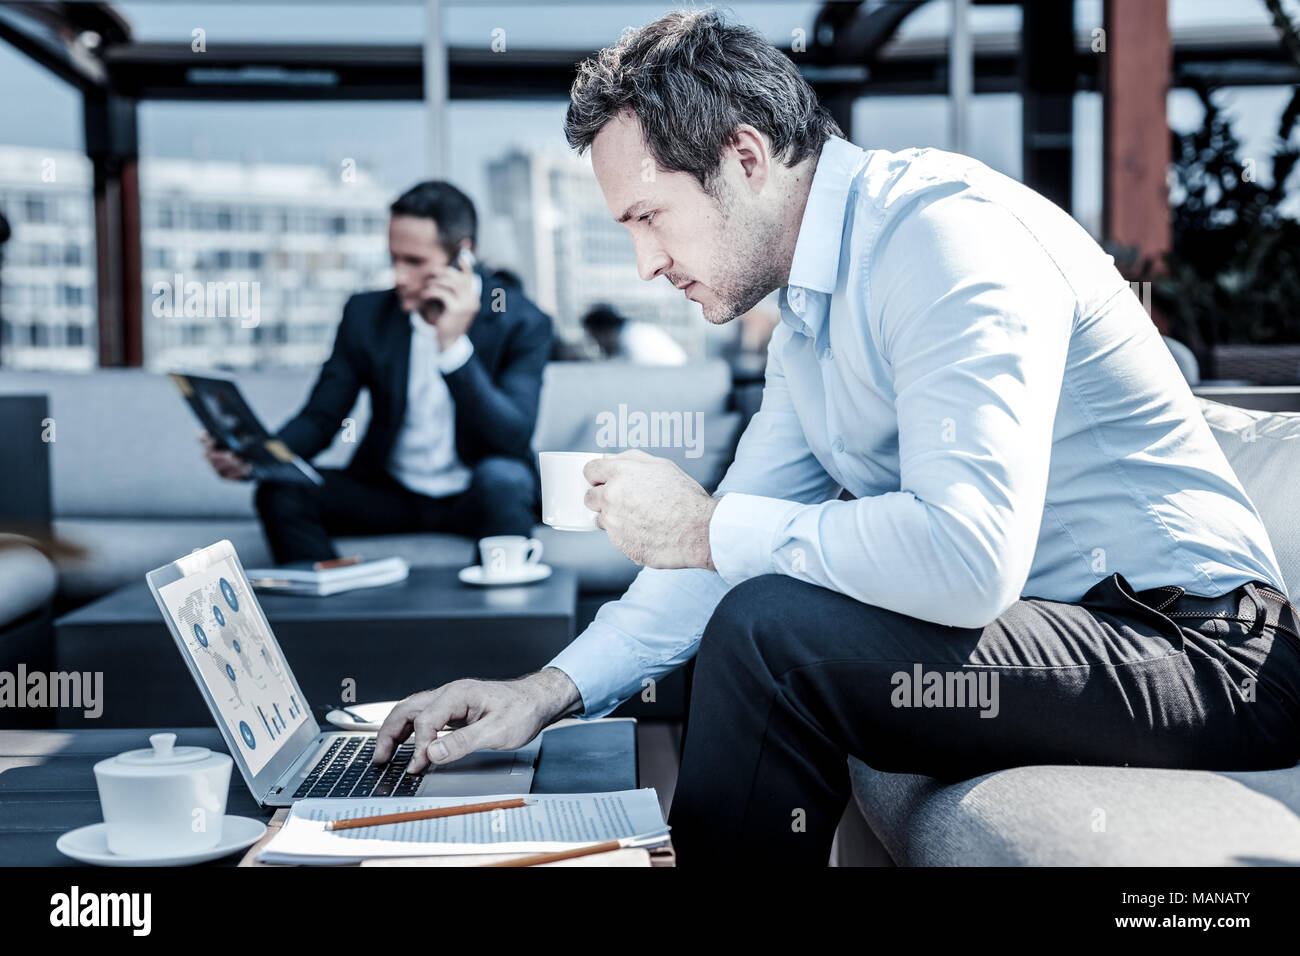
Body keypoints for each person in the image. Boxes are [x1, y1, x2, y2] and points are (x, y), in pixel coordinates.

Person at [372, 11, 1300, 866]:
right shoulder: (811, 322)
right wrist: (542, 691)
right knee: (765, 609)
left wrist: (707, 527)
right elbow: (728, 555)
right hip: (1063, 632)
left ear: (744, 156)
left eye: (647, 216)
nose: (645, 264)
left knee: (773, 630)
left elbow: (966, 556)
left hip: (1200, 651)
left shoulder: (943, 237)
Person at [203, 181, 553, 564]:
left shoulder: (520, 320)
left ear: (462, 257)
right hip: (391, 493)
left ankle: (496, 621)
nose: (399, 276)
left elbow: (512, 437)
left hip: (475, 495)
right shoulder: (366, 316)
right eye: (394, 259)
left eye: (415, 262)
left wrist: (453, 348)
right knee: (280, 492)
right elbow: (321, 418)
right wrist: (258, 459)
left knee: (504, 479)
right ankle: (334, 608)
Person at [581, 303, 688, 365]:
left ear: (605, 331)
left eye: (596, 338)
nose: (599, 345)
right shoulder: (635, 332)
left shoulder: (633, 340)